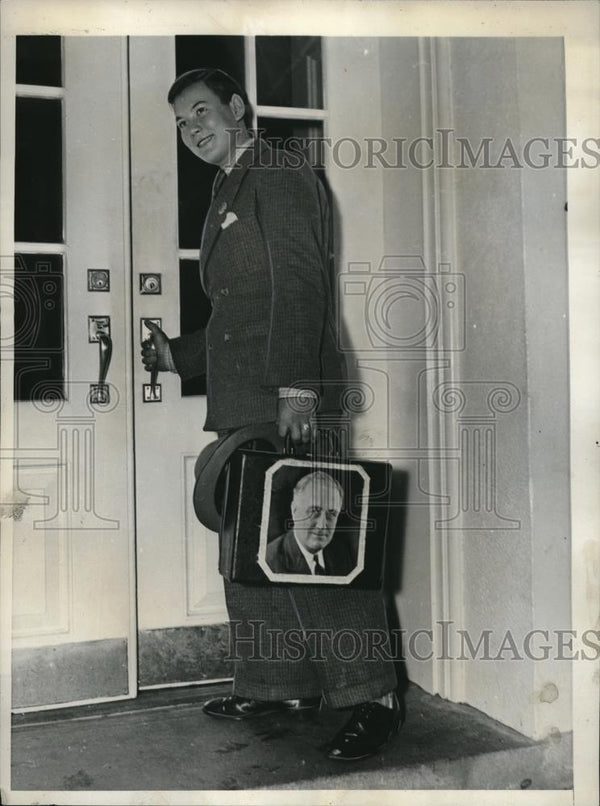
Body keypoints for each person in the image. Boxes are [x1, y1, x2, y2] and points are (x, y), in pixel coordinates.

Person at [141, 67, 402, 761]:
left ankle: (373, 696)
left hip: (290, 393)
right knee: (249, 545)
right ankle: (275, 681)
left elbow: (299, 280)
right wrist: (176, 355)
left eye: (201, 112)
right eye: (181, 123)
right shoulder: (228, 187)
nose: (193, 129)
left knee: (321, 547)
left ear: (237, 107)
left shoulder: (278, 168)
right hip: (248, 395)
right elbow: (238, 315)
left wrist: (297, 388)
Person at [266, 471, 355, 576]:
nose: (321, 525)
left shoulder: (342, 556)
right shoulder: (269, 561)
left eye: (332, 514)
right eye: (314, 511)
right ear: (294, 511)